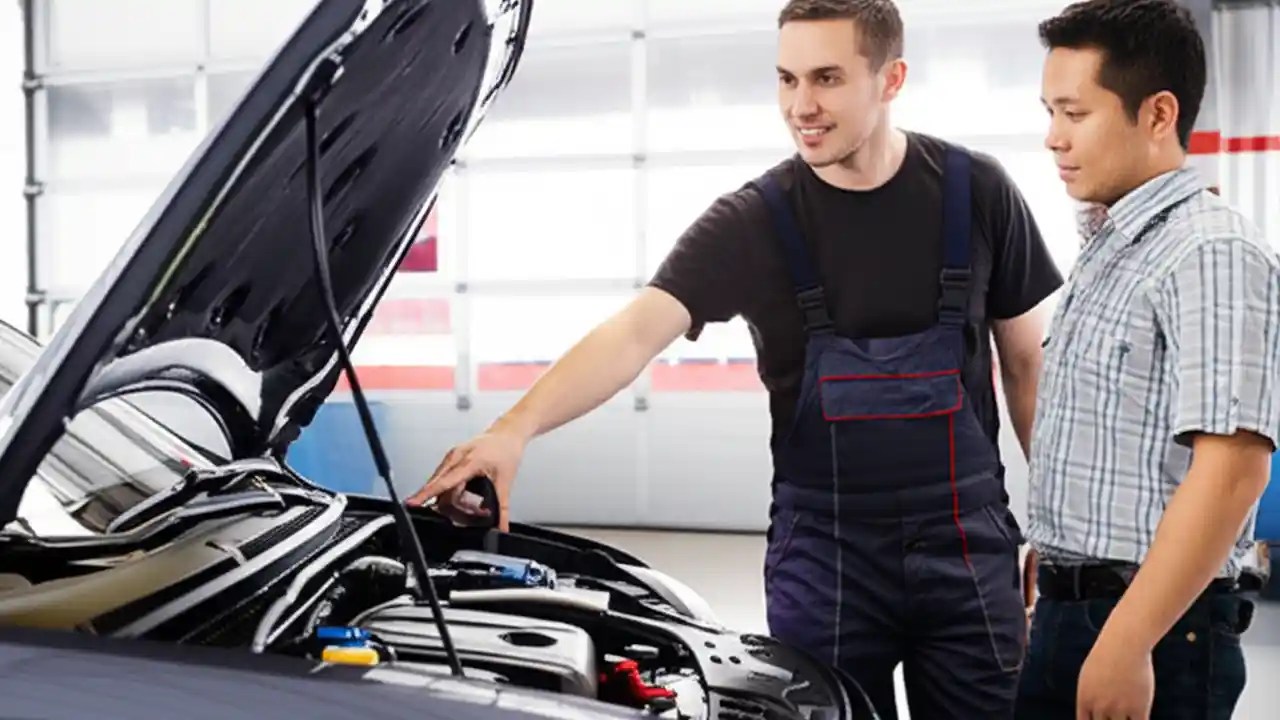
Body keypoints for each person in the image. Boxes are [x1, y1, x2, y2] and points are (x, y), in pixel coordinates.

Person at [409, 0, 1063, 716]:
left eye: (826, 78)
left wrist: (1058, 528)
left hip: (966, 552)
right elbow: (633, 334)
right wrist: (514, 427)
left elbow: (1026, 370)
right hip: (828, 562)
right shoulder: (754, 221)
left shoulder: (978, 193)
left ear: (891, 78)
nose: (801, 106)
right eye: (786, 79)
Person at [1017, 1, 1280, 718]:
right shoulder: (1114, 246)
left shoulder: (1210, 251)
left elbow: (1231, 470)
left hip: (1153, 631)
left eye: (1074, 113)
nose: (1052, 137)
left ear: (1158, 114)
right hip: (1081, 613)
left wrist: (1126, 642)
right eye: (1049, 111)